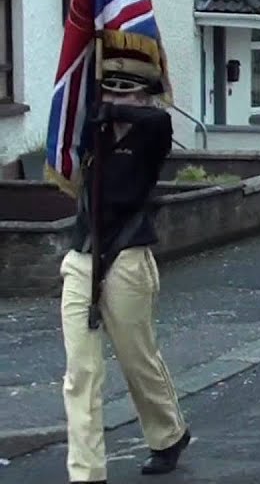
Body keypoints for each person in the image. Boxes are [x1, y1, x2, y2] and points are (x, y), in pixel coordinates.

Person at [60, 52, 190, 484]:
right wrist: (96, 112)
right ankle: (87, 473)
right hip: (83, 253)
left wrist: (111, 110)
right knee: (81, 372)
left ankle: (168, 433)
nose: (116, 98)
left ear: (146, 95)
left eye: (127, 90)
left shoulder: (154, 129)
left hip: (128, 255)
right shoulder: (93, 128)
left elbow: (157, 123)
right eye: (110, 88)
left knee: (138, 359)